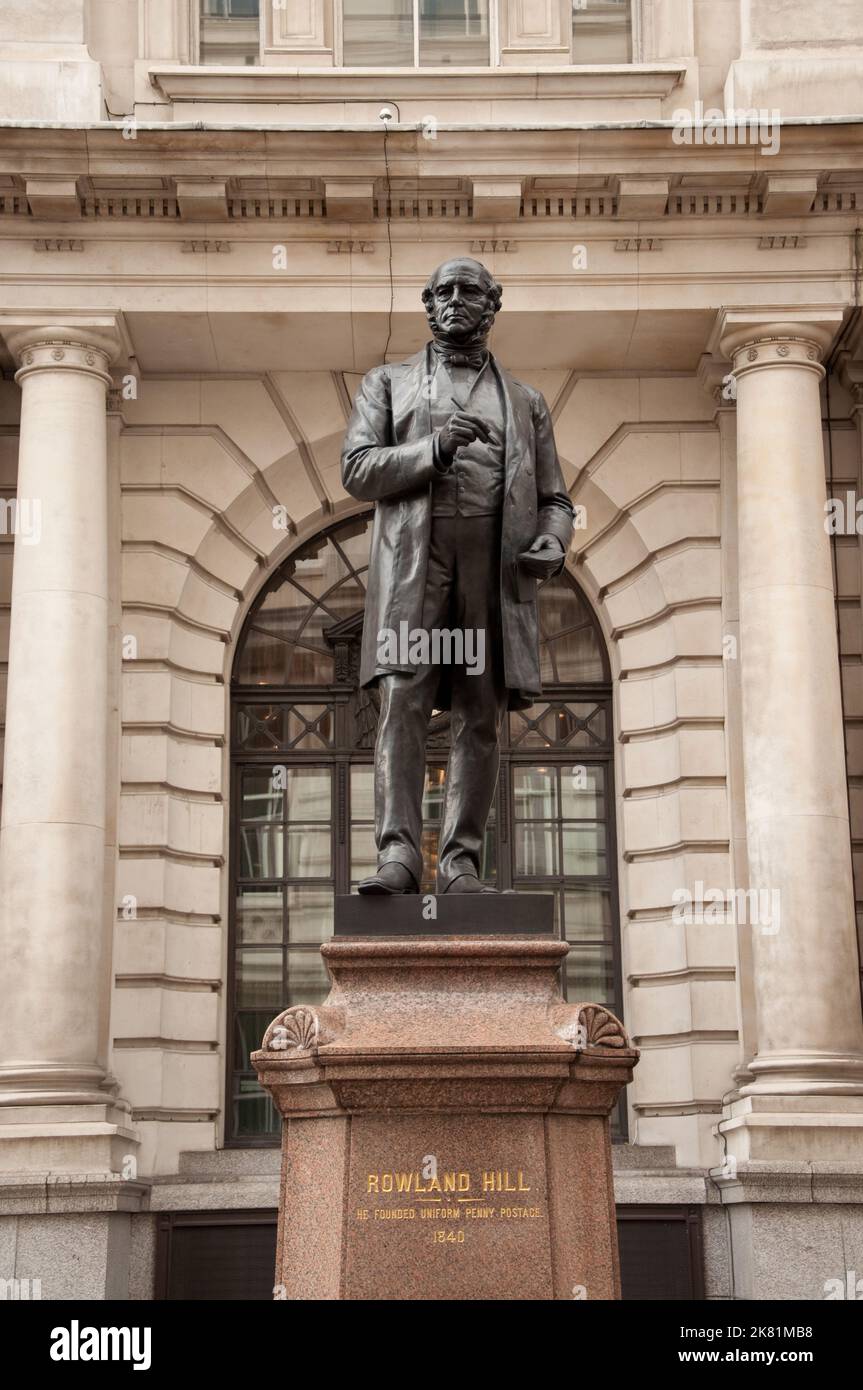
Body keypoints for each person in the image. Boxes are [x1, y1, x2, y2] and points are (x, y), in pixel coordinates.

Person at [341, 258, 574, 894]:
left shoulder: (525, 403)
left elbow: (555, 497)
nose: (453, 301)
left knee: (479, 713)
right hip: (417, 568)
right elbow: (358, 469)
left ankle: (461, 862)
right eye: (442, 291)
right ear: (428, 304)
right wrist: (435, 448)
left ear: (491, 305)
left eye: (467, 291)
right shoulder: (387, 383)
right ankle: (398, 856)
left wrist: (553, 539)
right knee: (403, 702)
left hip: (491, 574)